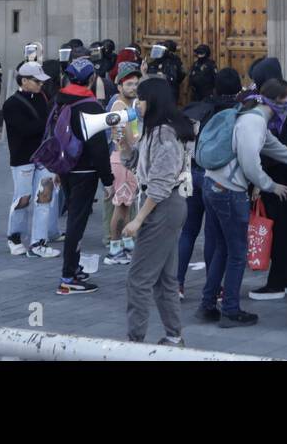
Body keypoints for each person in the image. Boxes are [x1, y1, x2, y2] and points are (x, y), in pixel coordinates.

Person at [198, 80, 287, 328]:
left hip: (214, 185)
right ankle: (230, 310)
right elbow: (251, 163)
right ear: (275, 101)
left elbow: (280, 151)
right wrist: (271, 185)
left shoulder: (252, 117)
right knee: (237, 253)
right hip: (229, 191)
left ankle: (208, 304)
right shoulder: (255, 122)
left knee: (222, 248)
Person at [118, 77, 195, 346]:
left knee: (138, 279)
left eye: (140, 99)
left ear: (153, 101)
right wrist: (122, 142)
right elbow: (135, 162)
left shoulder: (164, 134)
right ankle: (174, 336)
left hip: (162, 207)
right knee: (165, 279)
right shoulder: (157, 130)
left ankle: (134, 341)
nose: (136, 104)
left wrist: (138, 220)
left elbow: (160, 184)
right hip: (165, 206)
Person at [177, 66, 243, 298]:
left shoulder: (199, 109)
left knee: (188, 230)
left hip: (191, 172)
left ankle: (178, 283)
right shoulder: (237, 113)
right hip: (216, 177)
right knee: (212, 236)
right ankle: (212, 286)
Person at [54, 57, 114, 295]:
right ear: (91, 79)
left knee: (74, 221)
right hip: (85, 172)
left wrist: (58, 169)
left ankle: (73, 268)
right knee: (76, 224)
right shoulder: (91, 107)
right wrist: (108, 180)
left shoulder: (59, 101)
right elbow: (99, 148)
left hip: (66, 168)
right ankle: (68, 277)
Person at [248, 59, 287, 301]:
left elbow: (270, 144)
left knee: (279, 227)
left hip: (278, 173)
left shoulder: (275, 108)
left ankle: (278, 281)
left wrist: (260, 182)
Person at [1, 62, 60, 259]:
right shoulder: (11, 104)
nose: (41, 84)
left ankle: (38, 242)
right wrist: (48, 121)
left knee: (44, 198)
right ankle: (14, 237)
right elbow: (27, 130)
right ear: (24, 81)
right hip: (22, 159)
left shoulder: (42, 98)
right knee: (22, 199)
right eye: (37, 81)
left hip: (44, 157)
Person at [102, 63, 143, 266]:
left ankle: (125, 245)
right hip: (122, 161)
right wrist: (131, 144)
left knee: (126, 206)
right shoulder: (119, 107)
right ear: (119, 87)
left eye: (136, 83)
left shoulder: (129, 106)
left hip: (126, 160)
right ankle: (114, 249)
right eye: (129, 84)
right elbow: (120, 137)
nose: (133, 87)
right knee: (120, 207)